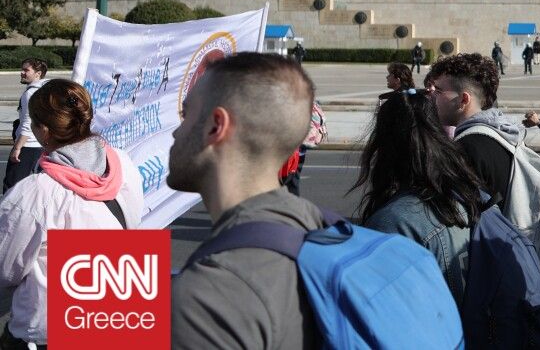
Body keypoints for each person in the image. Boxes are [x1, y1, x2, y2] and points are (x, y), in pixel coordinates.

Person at [170, 53, 326, 348]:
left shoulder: (205, 297)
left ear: (216, 126)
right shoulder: (325, 233)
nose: (177, 130)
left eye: (186, 113)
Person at [0, 79, 144, 349]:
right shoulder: (123, 163)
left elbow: (6, 270)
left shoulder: (35, 192)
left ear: (43, 131)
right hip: (115, 319)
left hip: (51, 331)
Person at [352, 89, 484, 307]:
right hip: (467, 332)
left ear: (384, 144)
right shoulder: (466, 195)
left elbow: (379, 308)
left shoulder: (395, 221)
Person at [427, 53, 516, 212]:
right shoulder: (502, 133)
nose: (431, 96)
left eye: (439, 91)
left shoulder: (466, 149)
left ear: (463, 100)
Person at [6, 58, 48, 192]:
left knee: (12, 187)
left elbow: (28, 123)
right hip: (41, 145)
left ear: (38, 73)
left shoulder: (30, 93)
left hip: (28, 146)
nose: (22, 72)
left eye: (26, 70)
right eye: (22, 69)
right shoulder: (45, 90)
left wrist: (17, 148)